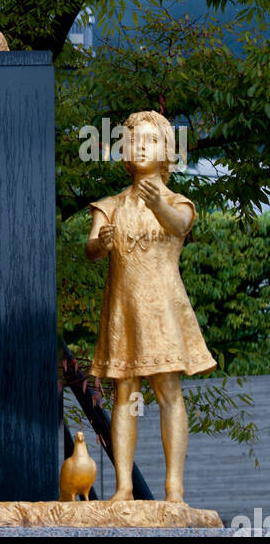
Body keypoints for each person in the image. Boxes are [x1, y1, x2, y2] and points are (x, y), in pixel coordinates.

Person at [86, 110, 216, 503]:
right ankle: (124, 486)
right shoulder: (108, 205)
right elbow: (92, 249)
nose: (141, 146)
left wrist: (159, 202)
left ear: (167, 152)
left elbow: (178, 225)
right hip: (123, 310)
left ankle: (174, 488)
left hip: (163, 308)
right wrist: (101, 242)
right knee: (124, 391)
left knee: (168, 391)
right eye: (134, 140)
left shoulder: (178, 201)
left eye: (151, 140)